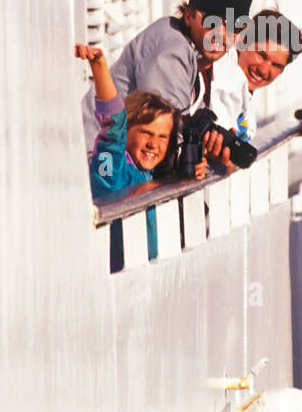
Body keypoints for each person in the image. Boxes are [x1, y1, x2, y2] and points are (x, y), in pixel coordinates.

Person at [80, 0, 254, 153]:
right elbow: (167, 135)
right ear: (188, 15)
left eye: (234, 25)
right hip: (95, 164)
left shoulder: (197, 55)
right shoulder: (173, 49)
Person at [75, 44, 206, 262]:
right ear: (127, 131)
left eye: (162, 137)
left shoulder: (152, 174)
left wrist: (191, 172)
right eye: (146, 133)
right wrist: (99, 66)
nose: (153, 144)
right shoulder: (108, 168)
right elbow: (113, 127)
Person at [210, 8, 302, 139]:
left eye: (276, 65)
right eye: (261, 55)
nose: (264, 71)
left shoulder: (245, 91)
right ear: (242, 41)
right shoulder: (220, 81)